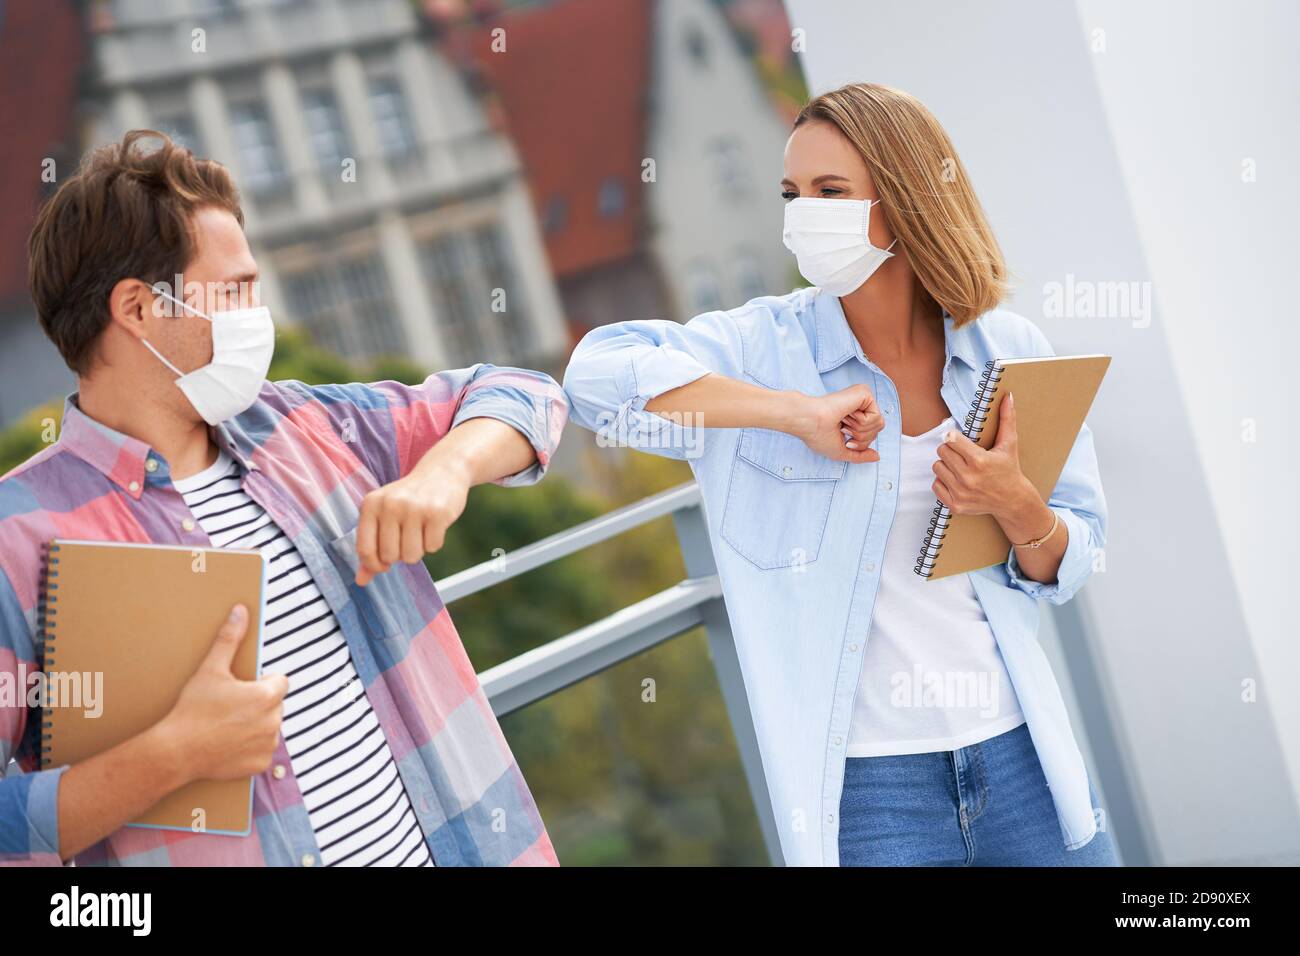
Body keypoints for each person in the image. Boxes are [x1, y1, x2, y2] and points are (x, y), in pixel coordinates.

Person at [563, 83, 1117, 866]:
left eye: (831, 192)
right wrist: (791, 414)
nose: (803, 216)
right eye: (792, 194)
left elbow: (1073, 558)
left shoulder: (1010, 347)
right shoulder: (761, 348)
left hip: (1023, 756)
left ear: (906, 200)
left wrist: (1017, 505)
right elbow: (592, 379)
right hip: (867, 796)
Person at [0, 130, 566, 867]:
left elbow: (525, 393)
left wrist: (445, 470)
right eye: (233, 290)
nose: (255, 313)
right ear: (138, 308)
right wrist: (171, 756)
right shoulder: (20, 540)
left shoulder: (311, 425)